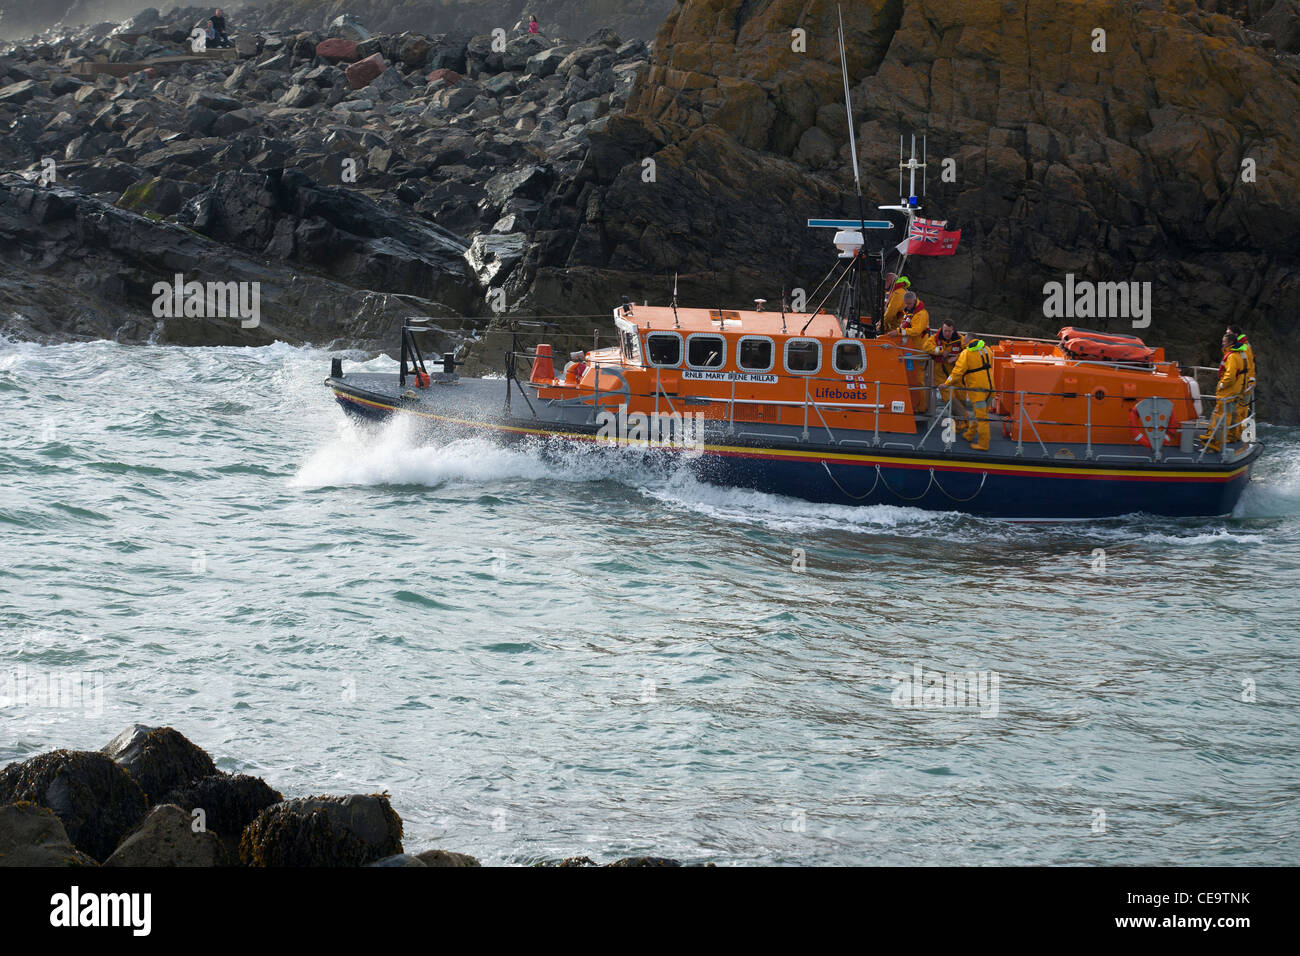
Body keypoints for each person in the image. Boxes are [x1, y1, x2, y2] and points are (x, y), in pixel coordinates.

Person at [940, 338, 995, 450]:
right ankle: (969, 434)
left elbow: (957, 372)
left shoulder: (966, 353)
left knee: (982, 418)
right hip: (990, 388)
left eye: (964, 341)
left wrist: (946, 383)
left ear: (967, 341)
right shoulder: (987, 349)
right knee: (978, 413)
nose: (963, 343)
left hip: (977, 390)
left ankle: (983, 444)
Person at [1198, 331, 1247, 452]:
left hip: (1228, 392)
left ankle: (1214, 445)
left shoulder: (1231, 357)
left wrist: (1221, 384)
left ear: (1230, 342)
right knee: (1231, 415)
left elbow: (1230, 376)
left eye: (1224, 342)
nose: (1222, 344)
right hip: (1236, 390)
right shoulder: (1240, 354)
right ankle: (1232, 437)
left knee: (1220, 419)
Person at [929, 319, 967, 424]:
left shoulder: (960, 339)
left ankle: (960, 423)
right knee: (949, 399)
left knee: (961, 397)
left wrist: (956, 357)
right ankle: (965, 420)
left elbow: (967, 351)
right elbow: (927, 347)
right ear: (942, 328)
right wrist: (941, 352)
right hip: (940, 374)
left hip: (956, 374)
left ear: (953, 330)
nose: (947, 333)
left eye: (949, 331)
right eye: (945, 330)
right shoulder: (935, 339)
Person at [899, 291, 931, 413]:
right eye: (906, 304)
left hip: (919, 350)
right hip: (911, 349)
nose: (907, 306)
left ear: (915, 301)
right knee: (912, 378)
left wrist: (899, 332)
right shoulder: (909, 311)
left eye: (909, 303)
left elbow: (917, 331)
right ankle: (913, 403)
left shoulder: (921, 314)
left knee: (919, 380)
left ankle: (922, 407)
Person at [1225, 325, 1256, 441]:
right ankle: (1236, 434)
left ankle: (1235, 435)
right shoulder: (1241, 346)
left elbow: (1250, 365)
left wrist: (1250, 380)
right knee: (1239, 410)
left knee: (1239, 410)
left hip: (1243, 383)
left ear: (1235, 335)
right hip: (1243, 382)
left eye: (1228, 333)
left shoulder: (1244, 347)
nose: (1226, 335)